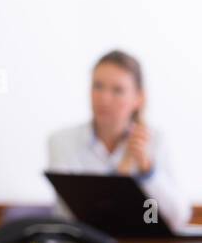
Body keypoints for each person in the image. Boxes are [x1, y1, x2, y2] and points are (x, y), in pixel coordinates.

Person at [47, 50, 191, 232]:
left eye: (118, 90)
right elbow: (70, 216)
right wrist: (122, 172)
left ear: (138, 98)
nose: (104, 99)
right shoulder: (61, 142)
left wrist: (147, 172)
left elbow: (176, 218)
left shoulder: (155, 142)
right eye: (98, 86)